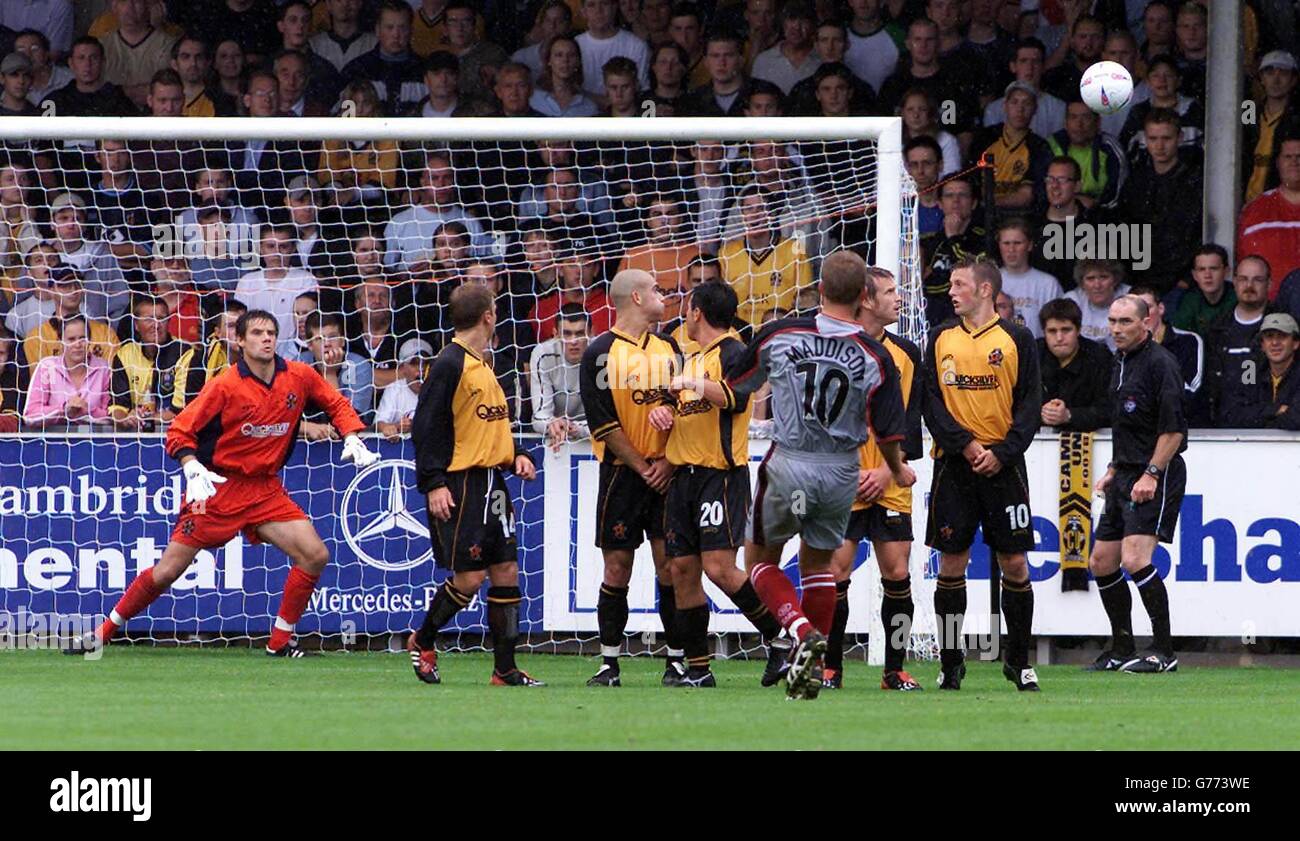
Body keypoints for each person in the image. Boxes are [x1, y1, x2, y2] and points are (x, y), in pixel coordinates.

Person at [67, 308, 379, 657]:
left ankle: (279, 641)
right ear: (240, 341)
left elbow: (335, 402)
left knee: (315, 554)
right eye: (257, 333)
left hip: (264, 489)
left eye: (271, 333)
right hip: (218, 487)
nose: (266, 339)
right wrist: (190, 465)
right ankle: (102, 633)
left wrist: (352, 434)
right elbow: (180, 429)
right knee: (169, 570)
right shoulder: (224, 385)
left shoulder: (299, 375)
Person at [691, 249, 913, 700]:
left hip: (790, 460)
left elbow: (738, 386)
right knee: (819, 567)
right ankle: (810, 669)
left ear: (820, 289)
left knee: (758, 564)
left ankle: (799, 630)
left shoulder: (780, 334)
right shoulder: (875, 355)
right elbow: (890, 432)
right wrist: (897, 470)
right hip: (841, 471)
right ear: (864, 296)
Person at [650, 280, 791, 688]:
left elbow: (737, 398)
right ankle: (698, 668)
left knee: (719, 568)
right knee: (681, 569)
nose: (684, 314)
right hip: (683, 478)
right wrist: (664, 413)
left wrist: (690, 385)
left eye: (688, 307)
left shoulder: (733, 351)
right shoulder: (694, 358)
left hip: (719, 475)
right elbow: (682, 405)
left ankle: (780, 639)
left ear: (697, 312)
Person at [408, 284, 540, 686]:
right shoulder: (449, 363)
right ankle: (423, 639)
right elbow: (425, 426)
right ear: (489, 316)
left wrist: (515, 453)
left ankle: (505, 669)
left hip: (493, 480)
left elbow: (487, 421)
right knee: (469, 578)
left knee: (506, 570)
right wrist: (432, 483)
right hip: (462, 482)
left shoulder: (481, 363)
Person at [922, 257, 1042, 691]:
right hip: (954, 465)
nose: (951, 291)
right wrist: (967, 445)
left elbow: (1030, 405)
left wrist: (1002, 452)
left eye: (959, 284)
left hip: (1004, 468)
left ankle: (1018, 661)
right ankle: (951, 663)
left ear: (986, 290)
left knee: (1014, 563)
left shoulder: (1017, 339)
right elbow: (931, 402)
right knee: (952, 562)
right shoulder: (940, 338)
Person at [578, 269, 685, 687]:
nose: (664, 295)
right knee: (617, 567)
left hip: (667, 474)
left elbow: (685, 404)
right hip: (624, 475)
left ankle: (675, 661)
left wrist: (668, 458)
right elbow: (603, 425)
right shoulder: (600, 353)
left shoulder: (669, 347)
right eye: (657, 290)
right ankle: (609, 663)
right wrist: (644, 467)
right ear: (637, 298)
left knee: (671, 569)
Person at [824, 267, 924, 692]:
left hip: (889, 477)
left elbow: (912, 423)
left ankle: (894, 669)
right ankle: (831, 668)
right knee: (835, 573)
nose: (897, 298)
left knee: (897, 573)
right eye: (888, 291)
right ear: (865, 299)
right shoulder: (833, 349)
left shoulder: (906, 353)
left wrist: (888, 469)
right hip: (843, 479)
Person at [1085, 295, 1187, 674]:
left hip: (1156, 473)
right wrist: (1114, 468)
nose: (1116, 329)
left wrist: (1152, 474)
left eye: (1125, 321)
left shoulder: (1162, 364)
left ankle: (1164, 650)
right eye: (1112, 321)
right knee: (1101, 561)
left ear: (1146, 323)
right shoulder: (1119, 362)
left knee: (1135, 558)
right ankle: (1121, 647)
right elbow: (1126, 424)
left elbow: (1174, 431)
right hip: (1125, 473)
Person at [719, 186, 812, 328]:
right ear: (742, 215)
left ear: (772, 214)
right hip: (739, 336)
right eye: (749, 209)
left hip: (781, 333)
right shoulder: (726, 253)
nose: (754, 214)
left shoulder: (794, 250)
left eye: (761, 208)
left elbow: (806, 299)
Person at [1206, 255, 1273, 425]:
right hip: (1219, 429)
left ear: (1269, 284)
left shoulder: (1283, 329)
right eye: (1243, 279)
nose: (1249, 286)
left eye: (1257, 280)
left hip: (1268, 431)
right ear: (1234, 282)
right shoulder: (1216, 327)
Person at [1131, 285, 1210, 427]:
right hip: (1142, 431)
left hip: (1186, 430)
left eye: (1147, 308)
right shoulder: (1126, 348)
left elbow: (1193, 389)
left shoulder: (1188, 340)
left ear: (1161, 309)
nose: (1144, 316)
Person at [108, 295, 186, 429]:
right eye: (149, 319)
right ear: (136, 325)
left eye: (161, 319)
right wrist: (124, 418)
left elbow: (179, 410)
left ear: (169, 322)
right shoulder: (125, 354)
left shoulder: (184, 352)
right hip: (134, 433)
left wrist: (146, 418)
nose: (156, 325)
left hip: (173, 431)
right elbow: (118, 406)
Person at [1237, 136, 1300, 298]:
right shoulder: (1256, 209)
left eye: (1299, 156)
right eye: (1288, 156)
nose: (1294, 161)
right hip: (1267, 310)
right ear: (1277, 162)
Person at [23, 314, 112, 428]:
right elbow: (30, 415)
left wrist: (87, 410)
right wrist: (64, 410)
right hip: (53, 442)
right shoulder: (48, 367)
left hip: (95, 441)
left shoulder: (103, 368)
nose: (78, 344)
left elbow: (111, 416)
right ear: (60, 341)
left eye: (82, 338)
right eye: (71, 339)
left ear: (89, 340)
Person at [1038, 297, 1113, 432]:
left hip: (1092, 440)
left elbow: (1110, 409)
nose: (1059, 338)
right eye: (1052, 331)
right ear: (1044, 332)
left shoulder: (1100, 357)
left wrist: (1069, 415)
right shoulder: (1033, 354)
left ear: (1078, 330)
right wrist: (1041, 413)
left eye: (1066, 330)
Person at [234, 225, 319, 343]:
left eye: (283, 246)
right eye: (270, 246)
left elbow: (313, 324)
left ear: (293, 248)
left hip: (296, 353)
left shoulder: (305, 279)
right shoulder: (247, 282)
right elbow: (239, 324)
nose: (277, 253)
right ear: (261, 248)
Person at [1216, 313, 1300, 429]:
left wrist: (1258, 420)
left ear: (1295, 343)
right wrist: (1275, 410)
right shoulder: (1250, 370)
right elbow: (1232, 414)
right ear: (1262, 345)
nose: (1275, 343)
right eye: (1269, 337)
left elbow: (1295, 419)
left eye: (1282, 336)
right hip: (1253, 445)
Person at [530, 304, 590, 449]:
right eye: (567, 334)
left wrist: (577, 428)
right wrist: (551, 424)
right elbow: (540, 416)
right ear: (556, 334)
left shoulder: (603, 357)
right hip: (556, 433)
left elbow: (609, 419)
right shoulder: (542, 354)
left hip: (591, 432)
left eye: (580, 333)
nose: (573, 341)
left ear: (591, 333)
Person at [302, 311, 374, 428]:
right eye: (319, 339)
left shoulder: (359, 365)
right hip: (308, 434)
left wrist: (330, 373)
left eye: (332, 337)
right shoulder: (300, 363)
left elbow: (349, 421)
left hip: (354, 437)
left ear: (342, 341)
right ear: (310, 345)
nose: (327, 343)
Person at [171, 300, 245, 411]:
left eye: (242, 325)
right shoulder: (201, 360)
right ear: (218, 333)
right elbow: (191, 407)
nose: (238, 331)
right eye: (231, 326)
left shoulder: (261, 359)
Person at [997, 218, 1064, 338]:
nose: (1011, 249)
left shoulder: (1048, 284)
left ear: (1029, 245)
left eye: (1017, 243)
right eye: (1006, 243)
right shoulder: (989, 280)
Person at [576, 0, 650, 98]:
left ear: (615, 7)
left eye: (604, 3)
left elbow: (641, 90)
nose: (599, 10)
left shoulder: (637, 46)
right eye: (591, 5)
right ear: (583, 12)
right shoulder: (574, 45)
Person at [1064, 259, 1132, 350]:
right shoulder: (1072, 300)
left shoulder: (1130, 297)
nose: (1097, 285)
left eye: (1104, 277)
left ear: (1115, 280)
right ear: (1082, 284)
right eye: (1090, 278)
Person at [1171, 244, 1235, 338]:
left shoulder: (1238, 298)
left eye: (1214, 269)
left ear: (1226, 271)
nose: (1207, 275)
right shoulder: (1189, 300)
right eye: (1201, 269)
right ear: (1194, 275)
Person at [374, 338, 432, 441]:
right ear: (402, 367)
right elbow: (379, 423)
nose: (421, 369)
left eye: (425, 363)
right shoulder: (394, 389)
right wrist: (395, 427)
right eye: (414, 363)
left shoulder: (438, 388)